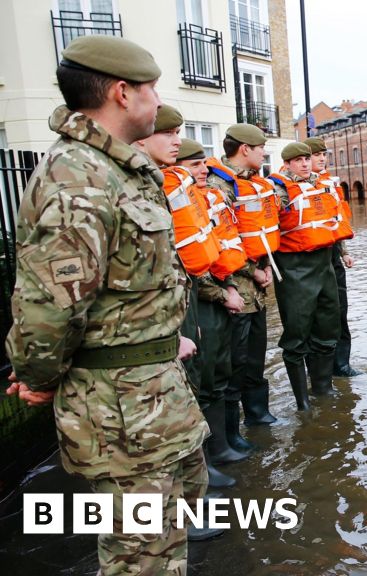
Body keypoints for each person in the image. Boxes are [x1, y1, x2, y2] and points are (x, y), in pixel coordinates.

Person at [4, 35, 208, 574]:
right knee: (141, 557)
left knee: (170, 535)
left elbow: (133, 283)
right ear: (122, 92)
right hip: (121, 414)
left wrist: (167, 337)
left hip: (157, 396)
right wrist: (40, 376)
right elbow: (49, 307)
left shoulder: (119, 167)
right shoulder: (76, 176)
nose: (158, 97)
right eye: (152, 87)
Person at [177, 137, 249, 489]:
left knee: (219, 373)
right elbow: (189, 267)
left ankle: (219, 449)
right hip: (198, 302)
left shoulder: (202, 202)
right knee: (202, 379)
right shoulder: (178, 202)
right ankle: (205, 460)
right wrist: (222, 294)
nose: (203, 170)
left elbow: (219, 249)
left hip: (218, 295)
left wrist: (231, 285)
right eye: (194, 166)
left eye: (203, 164)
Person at [207, 124, 278, 435]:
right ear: (245, 149)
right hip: (236, 289)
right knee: (234, 363)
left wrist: (263, 269)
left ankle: (258, 415)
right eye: (260, 146)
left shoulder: (256, 184)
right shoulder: (219, 186)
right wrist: (254, 271)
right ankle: (230, 435)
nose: (264, 152)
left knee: (255, 357)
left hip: (257, 290)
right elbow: (223, 240)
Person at [268, 143, 342, 407]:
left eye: (306, 159)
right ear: (286, 164)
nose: (304, 164)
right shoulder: (277, 189)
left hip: (324, 265)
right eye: (297, 160)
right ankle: (302, 401)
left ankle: (323, 388)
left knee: (327, 327)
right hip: (294, 268)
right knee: (297, 332)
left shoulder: (322, 186)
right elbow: (265, 228)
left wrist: (341, 252)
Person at [305, 137, 361, 377]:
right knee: (314, 315)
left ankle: (342, 364)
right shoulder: (293, 186)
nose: (320, 159)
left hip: (332, 257)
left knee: (340, 310)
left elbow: (335, 223)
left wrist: (344, 253)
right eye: (313, 155)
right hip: (309, 260)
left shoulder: (330, 185)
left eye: (322, 154)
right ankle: (317, 368)